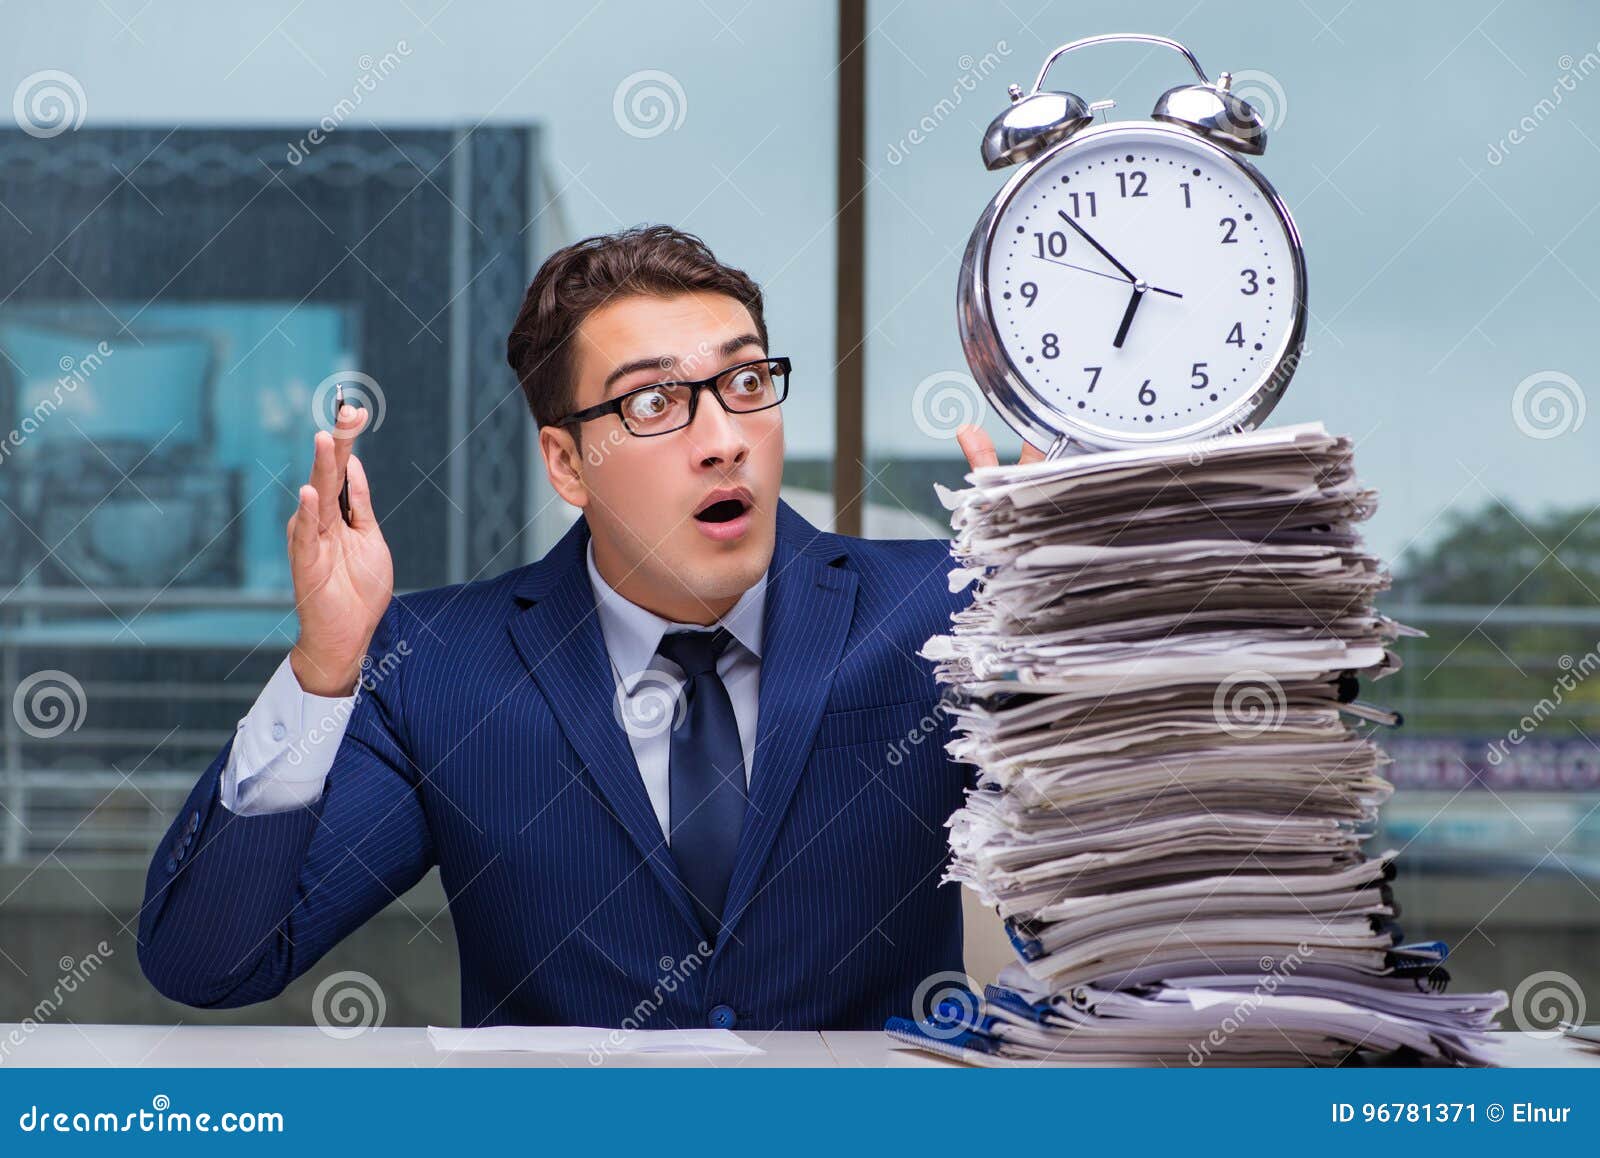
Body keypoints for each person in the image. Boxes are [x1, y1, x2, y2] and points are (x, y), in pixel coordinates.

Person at [137, 224, 1040, 1030]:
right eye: (653, 402)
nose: (723, 437)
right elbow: (211, 963)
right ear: (567, 462)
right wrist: (323, 666)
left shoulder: (949, 611)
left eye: (746, 380)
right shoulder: (439, 670)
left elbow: (1109, 910)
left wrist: (1072, 598)